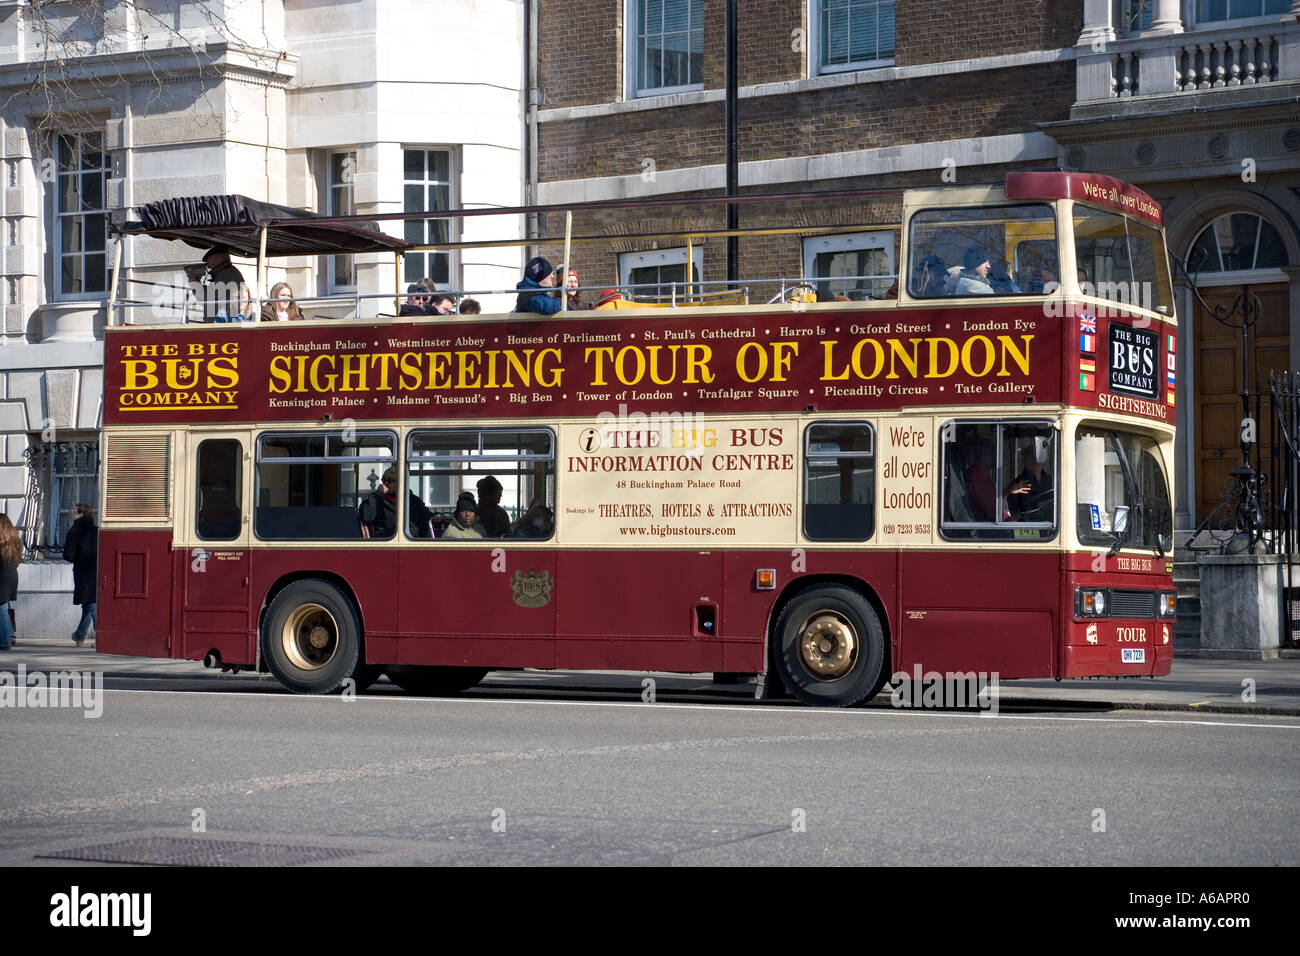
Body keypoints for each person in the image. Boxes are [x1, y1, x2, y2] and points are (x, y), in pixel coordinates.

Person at [62, 503, 97, 646]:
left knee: (92, 603)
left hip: (83, 570)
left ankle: (101, 635)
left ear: (81, 514)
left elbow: (68, 555)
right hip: (97, 569)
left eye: (74, 512)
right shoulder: (97, 530)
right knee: (88, 603)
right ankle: (80, 635)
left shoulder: (74, 531)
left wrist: (76, 556)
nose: (72, 515)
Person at [199, 246, 253, 322]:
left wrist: (195, 283)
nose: (209, 267)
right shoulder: (226, 273)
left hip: (223, 323)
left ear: (219, 260)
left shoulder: (226, 274)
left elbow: (208, 297)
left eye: (210, 263)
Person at [1006, 442, 1053, 521]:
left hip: (1051, 523)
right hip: (1029, 526)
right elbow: (1012, 513)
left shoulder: (1052, 480)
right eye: (1030, 457)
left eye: (1036, 457)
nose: (1034, 461)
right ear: (1024, 461)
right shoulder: (1017, 485)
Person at [0, 514, 19, 650]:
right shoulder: (14, 538)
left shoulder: (1, 540)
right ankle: (10, 634)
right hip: (11, 572)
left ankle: (5, 641)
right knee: (3, 605)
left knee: (1, 607)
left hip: (2, 574)